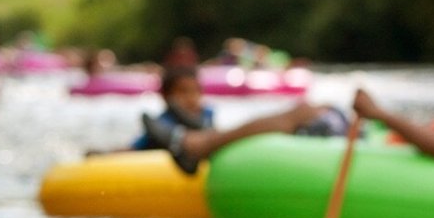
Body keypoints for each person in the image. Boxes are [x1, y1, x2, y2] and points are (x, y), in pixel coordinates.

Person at [144, 52, 434, 174]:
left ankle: (196, 143)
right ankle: (196, 131)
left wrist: (376, 112)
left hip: (368, 146)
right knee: (311, 110)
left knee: (302, 112)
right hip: (376, 144)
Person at [134, 66, 323, 174]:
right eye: (183, 92)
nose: (191, 98)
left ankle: (190, 145)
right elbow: (136, 149)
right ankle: (183, 143)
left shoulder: (206, 114)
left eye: (195, 92)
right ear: (166, 96)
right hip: (150, 154)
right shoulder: (161, 122)